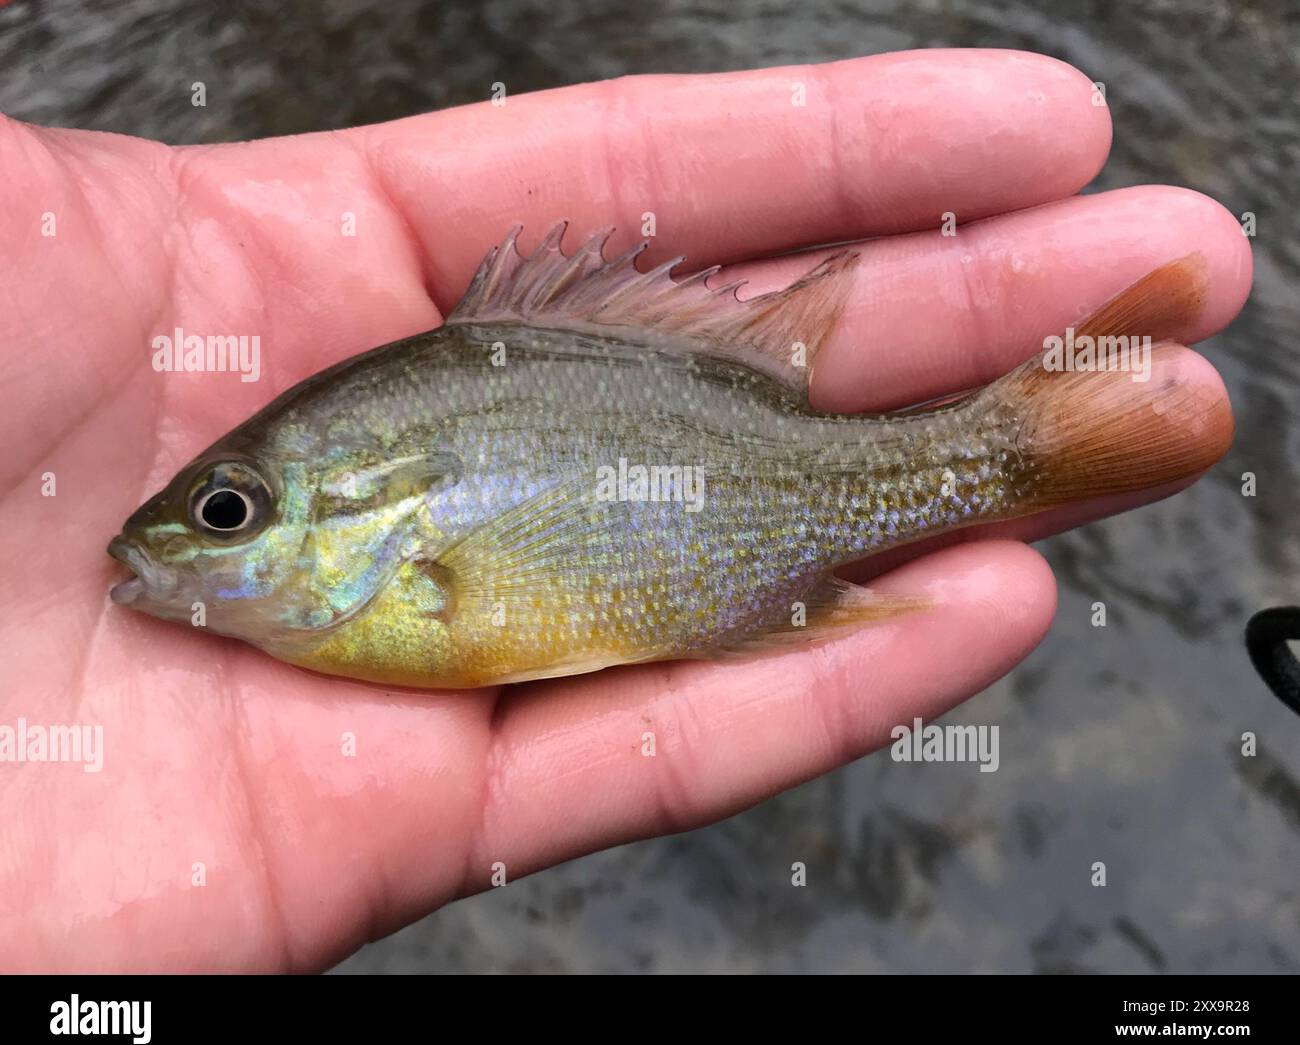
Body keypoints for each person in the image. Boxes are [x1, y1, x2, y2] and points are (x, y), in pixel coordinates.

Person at [0, 48, 1252, 972]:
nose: (182, 542)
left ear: (353, 510)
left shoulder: (394, 587)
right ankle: (1022, 441)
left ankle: (1015, 446)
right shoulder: (350, 598)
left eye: (227, 512)